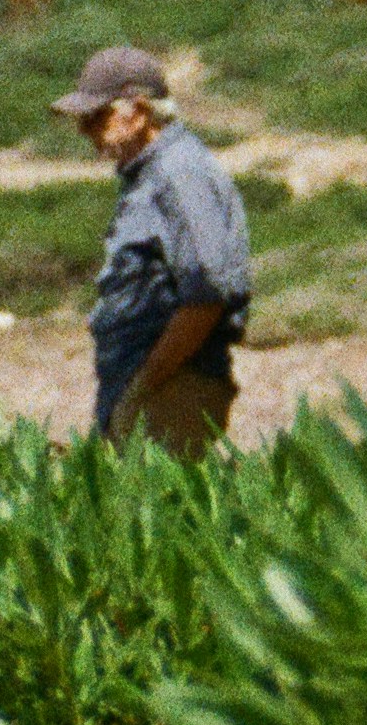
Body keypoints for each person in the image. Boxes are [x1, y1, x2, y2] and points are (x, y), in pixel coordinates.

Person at [61, 41, 251, 453]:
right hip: (150, 385)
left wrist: (148, 381)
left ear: (140, 112)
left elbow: (208, 291)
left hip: (173, 386)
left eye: (97, 117)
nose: (85, 131)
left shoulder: (178, 173)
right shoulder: (151, 175)